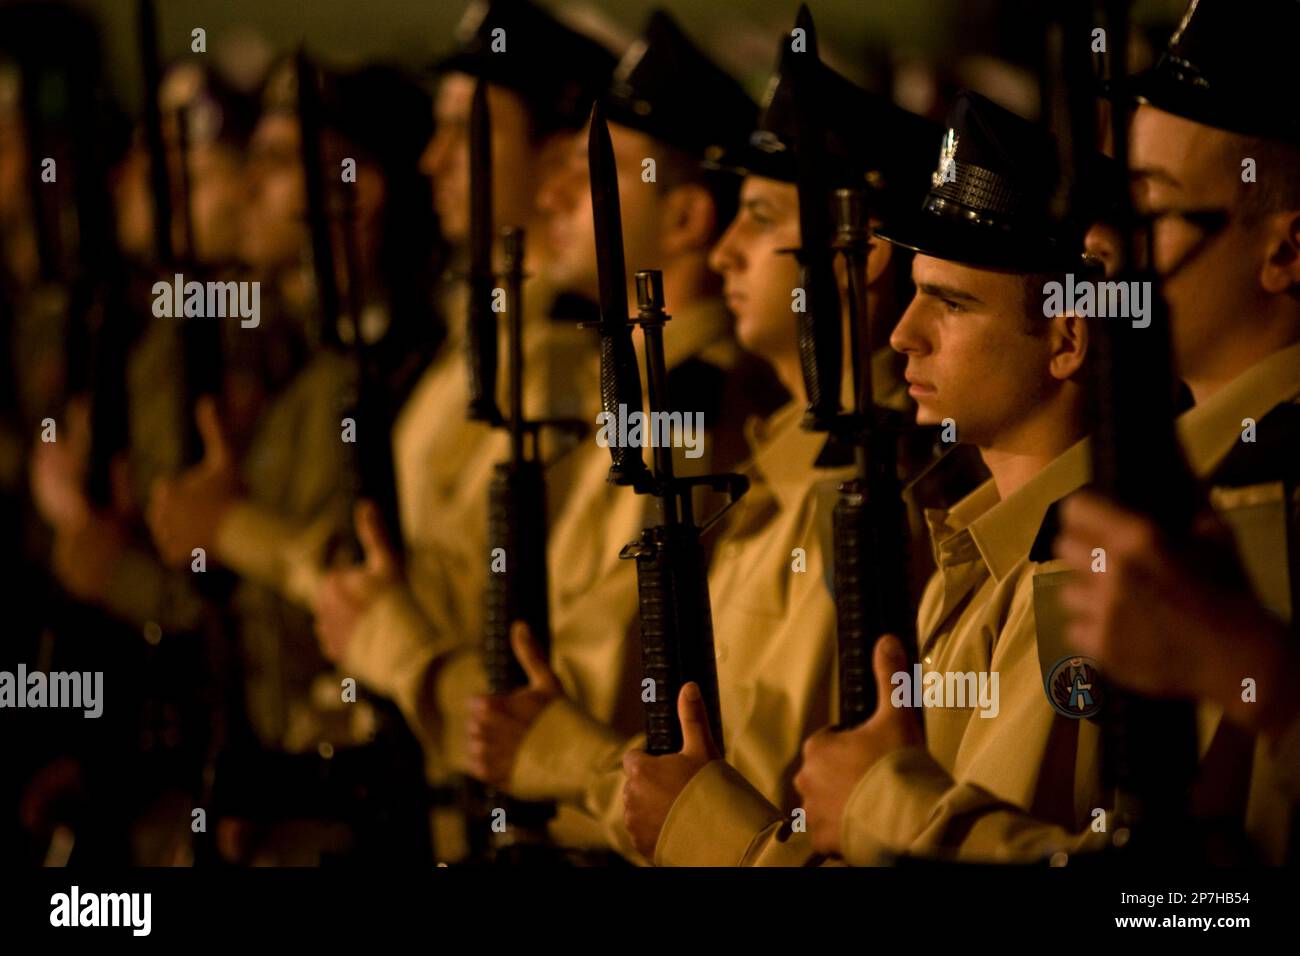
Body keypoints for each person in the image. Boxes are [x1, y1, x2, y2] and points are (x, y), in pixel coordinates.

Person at [469, 22, 937, 865]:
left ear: (860, 256)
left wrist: (559, 760)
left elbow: (745, 792)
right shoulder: (770, 465)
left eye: (757, 217)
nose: (725, 248)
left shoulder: (875, 496)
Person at [454, 9, 785, 858]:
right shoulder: (638, 393)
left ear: (683, 224)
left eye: (593, 177)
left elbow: (610, 682)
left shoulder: (710, 414)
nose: (557, 195)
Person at [306, 0, 617, 861]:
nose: (432, 160)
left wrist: (393, 644)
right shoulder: (470, 345)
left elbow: (563, 677)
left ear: (560, 156)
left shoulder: (580, 376)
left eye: (467, 134)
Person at [794, 91, 1110, 865]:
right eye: (913, 294)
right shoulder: (976, 555)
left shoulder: (1071, 582)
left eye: (951, 303)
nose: (902, 334)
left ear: (1067, 338)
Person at [1054, 0, 1300, 863]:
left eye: (1151, 213)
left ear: (1286, 252)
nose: (1110, 251)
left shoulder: (1268, 488)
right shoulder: (1192, 462)